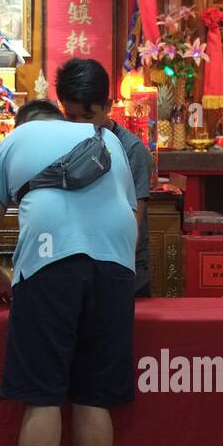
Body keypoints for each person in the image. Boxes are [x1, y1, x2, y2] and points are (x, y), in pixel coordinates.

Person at [0, 58, 139, 446]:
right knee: (93, 397)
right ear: (107, 101)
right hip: (115, 272)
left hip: (50, 266)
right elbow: (130, 219)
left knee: (44, 397)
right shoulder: (115, 147)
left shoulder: (19, 138)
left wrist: (3, 283)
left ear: (59, 99)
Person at [63, 89, 153, 297]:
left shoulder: (131, 149)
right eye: (71, 117)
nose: (80, 125)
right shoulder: (66, 141)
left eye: (88, 116)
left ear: (108, 106)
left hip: (120, 266)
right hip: (78, 264)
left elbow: (133, 225)